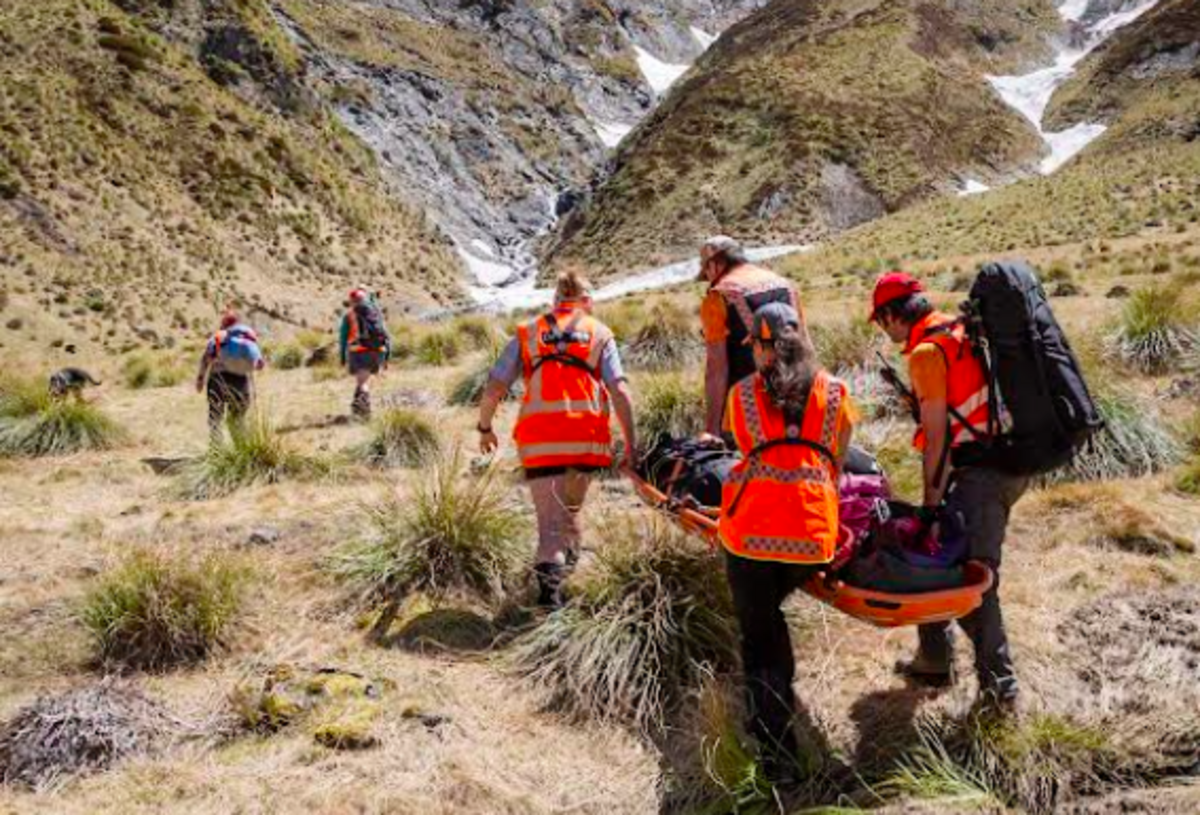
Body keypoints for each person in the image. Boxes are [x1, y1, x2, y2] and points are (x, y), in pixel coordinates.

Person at [870, 271, 1029, 714]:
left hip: (980, 474)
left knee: (971, 580)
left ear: (890, 315)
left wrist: (931, 506)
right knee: (941, 562)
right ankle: (935, 660)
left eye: (882, 322)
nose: (884, 332)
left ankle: (1001, 694)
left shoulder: (925, 352)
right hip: (1008, 461)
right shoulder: (961, 329)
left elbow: (937, 441)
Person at [717, 302, 855, 779]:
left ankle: (777, 753)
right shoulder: (836, 391)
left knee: (760, 635)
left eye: (752, 345)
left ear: (763, 345)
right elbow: (838, 456)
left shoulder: (743, 395)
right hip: (814, 534)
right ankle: (779, 699)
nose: (750, 353)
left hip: (752, 533)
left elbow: (742, 445)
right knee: (770, 617)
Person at [477, 271, 637, 608]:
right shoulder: (599, 332)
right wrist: (631, 445)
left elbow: (494, 386)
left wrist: (485, 427)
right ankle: (567, 581)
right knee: (570, 512)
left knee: (549, 526)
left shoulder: (528, 333)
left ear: (555, 301)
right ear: (586, 301)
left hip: (539, 437)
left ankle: (550, 599)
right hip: (585, 435)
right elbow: (619, 390)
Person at [698, 235, 807, 440]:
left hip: (747, 412)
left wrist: (712, 429)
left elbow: (716, 369)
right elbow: (806, 345)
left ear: (714, 264)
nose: (707, 276)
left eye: (706, 270)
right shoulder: (786, 285)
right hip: (798, 404)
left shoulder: (717, 297)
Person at [196, 312, 265, 441]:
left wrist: (200, 380)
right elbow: (260, 364)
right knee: (237, 419)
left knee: (215, 418)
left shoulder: (218, 337)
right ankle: (240, 450)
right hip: (241, 381)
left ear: (224, 324)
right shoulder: (248, 338)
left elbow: (206, 358)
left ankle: (217, 451)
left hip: (218, 380)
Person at [339, 289, 392, 420]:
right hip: (378, 351)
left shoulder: (349, 316)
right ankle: (357, 409)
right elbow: (387, 336)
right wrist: (387, 357)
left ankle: (364, 413)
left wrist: (342, 357)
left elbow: (342, 339)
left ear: (352, 302)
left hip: (359, 351)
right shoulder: (376, 314)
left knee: (362, 382)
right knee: (363, 380)